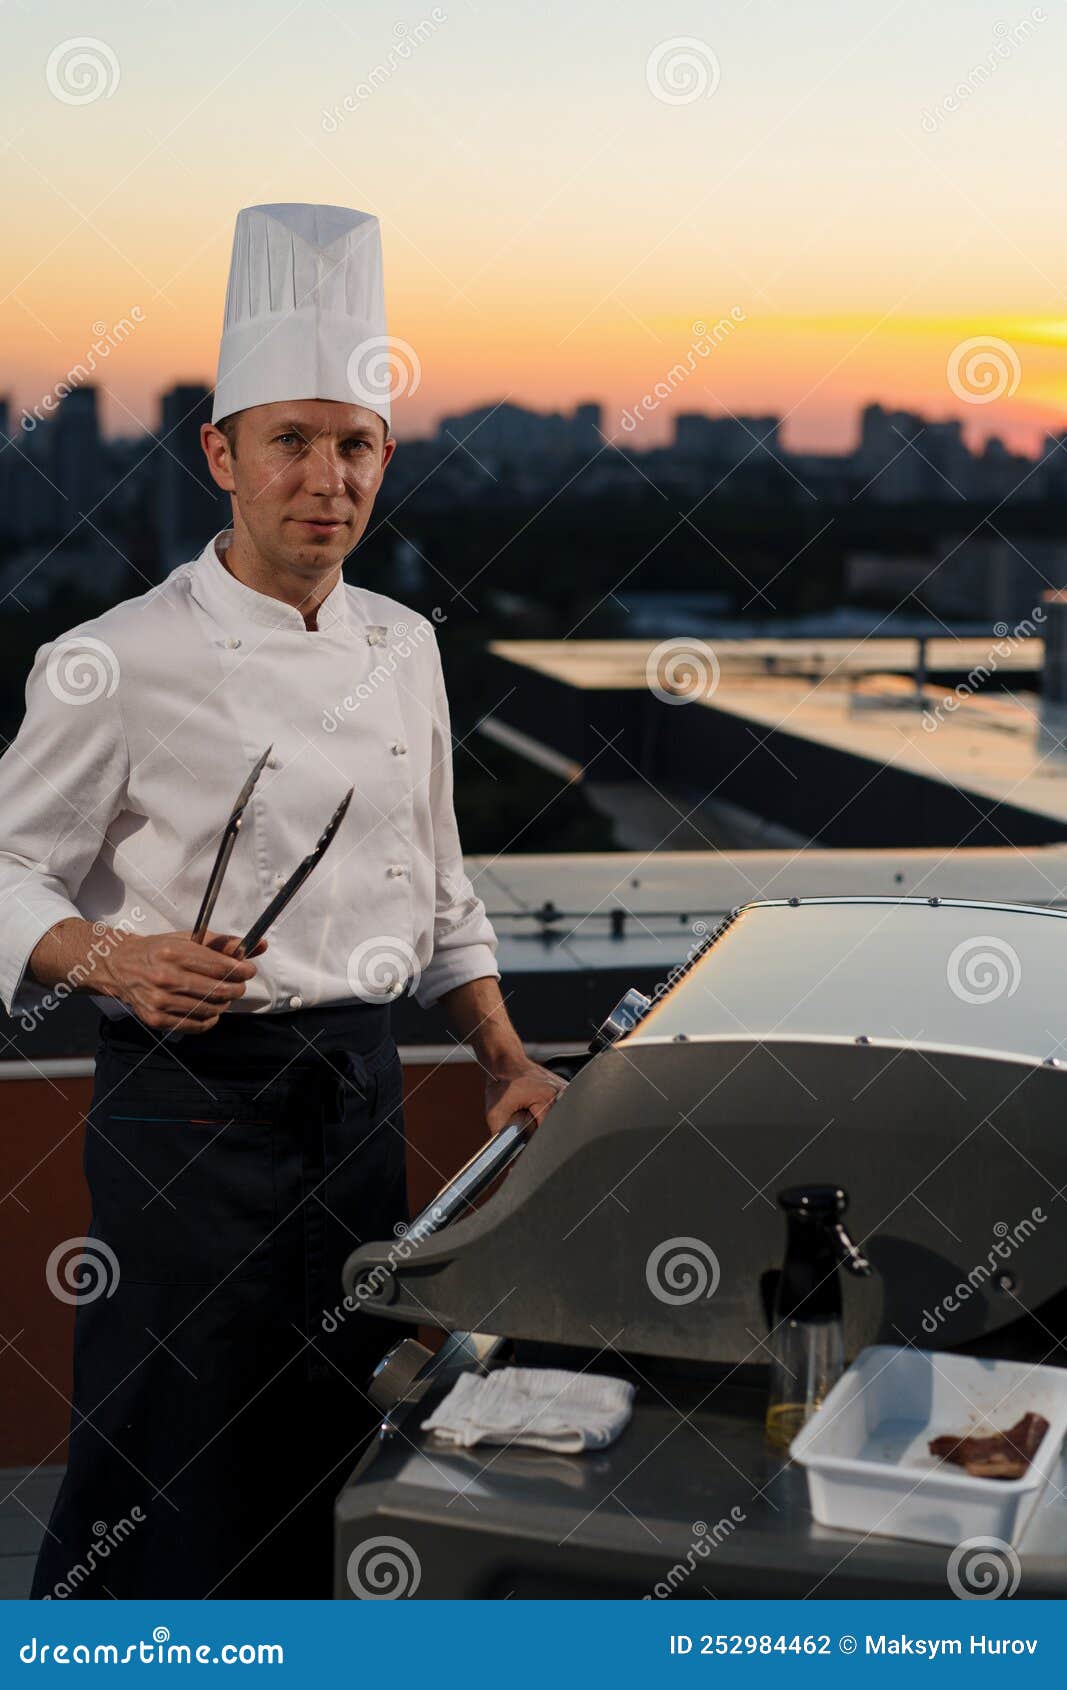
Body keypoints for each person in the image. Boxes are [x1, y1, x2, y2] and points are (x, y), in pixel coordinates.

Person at [0, 202, 565, 1598]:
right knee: (171, 1451)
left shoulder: (407, 645)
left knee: (341, 1435)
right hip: (188, 1116)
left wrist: (500, 1051)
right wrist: (114, 957)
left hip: (356, 1104)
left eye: (355, 442)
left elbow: (439, 884)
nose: (327, 477)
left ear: (387, 458)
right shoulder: (113, 658)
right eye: (292, 441)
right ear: (221, 456)